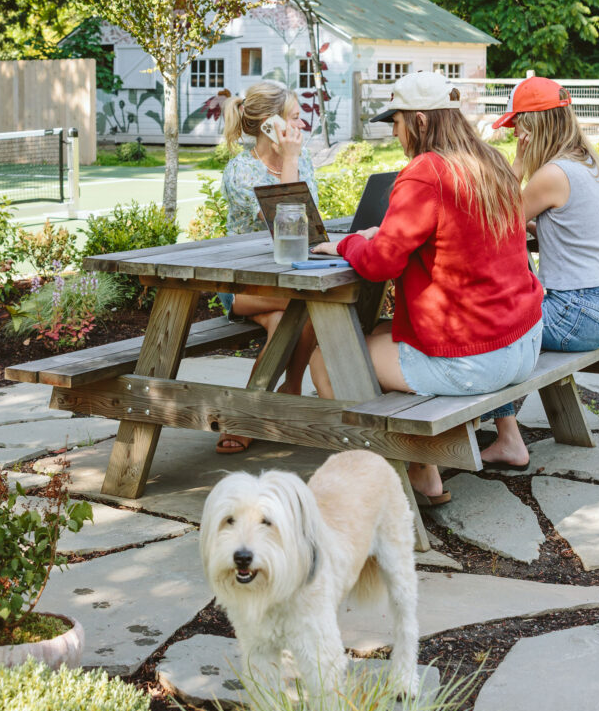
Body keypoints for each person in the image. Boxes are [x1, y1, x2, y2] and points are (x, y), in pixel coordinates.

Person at [311, 71, 543, 504]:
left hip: (475, 360)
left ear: (419, 120)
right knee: (377, 334)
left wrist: (349, 242)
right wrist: (384, 235)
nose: (394, 134)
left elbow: (380, 264)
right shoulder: (491, 160)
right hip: (523, 344)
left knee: (328, 358)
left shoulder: (425, 172)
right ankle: (423, 470)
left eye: (396, 122)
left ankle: (378, 484)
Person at [480, 75, 599, 468]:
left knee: (489, 331)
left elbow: (495, 222)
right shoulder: (589, 163)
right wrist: (538, 227)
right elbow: (573, 225)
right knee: (510, 325)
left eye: (518, 127)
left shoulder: (551, 174)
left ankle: (506, 438)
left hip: (577, 312)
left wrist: (517, 164)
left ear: (534, 126)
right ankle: (504, 434)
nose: (516, 135)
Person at [214, 80, 319, 453]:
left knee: (287, 317)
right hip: (242, 284)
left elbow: (309, 228)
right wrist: (290, 159)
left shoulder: (302, 160)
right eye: (294, 117)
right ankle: (289, 393)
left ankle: (253, 411)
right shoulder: (241, 171)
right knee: (310, 302)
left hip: (286, 280)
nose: (301, 125)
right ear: (270, 126)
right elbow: (289, 227)